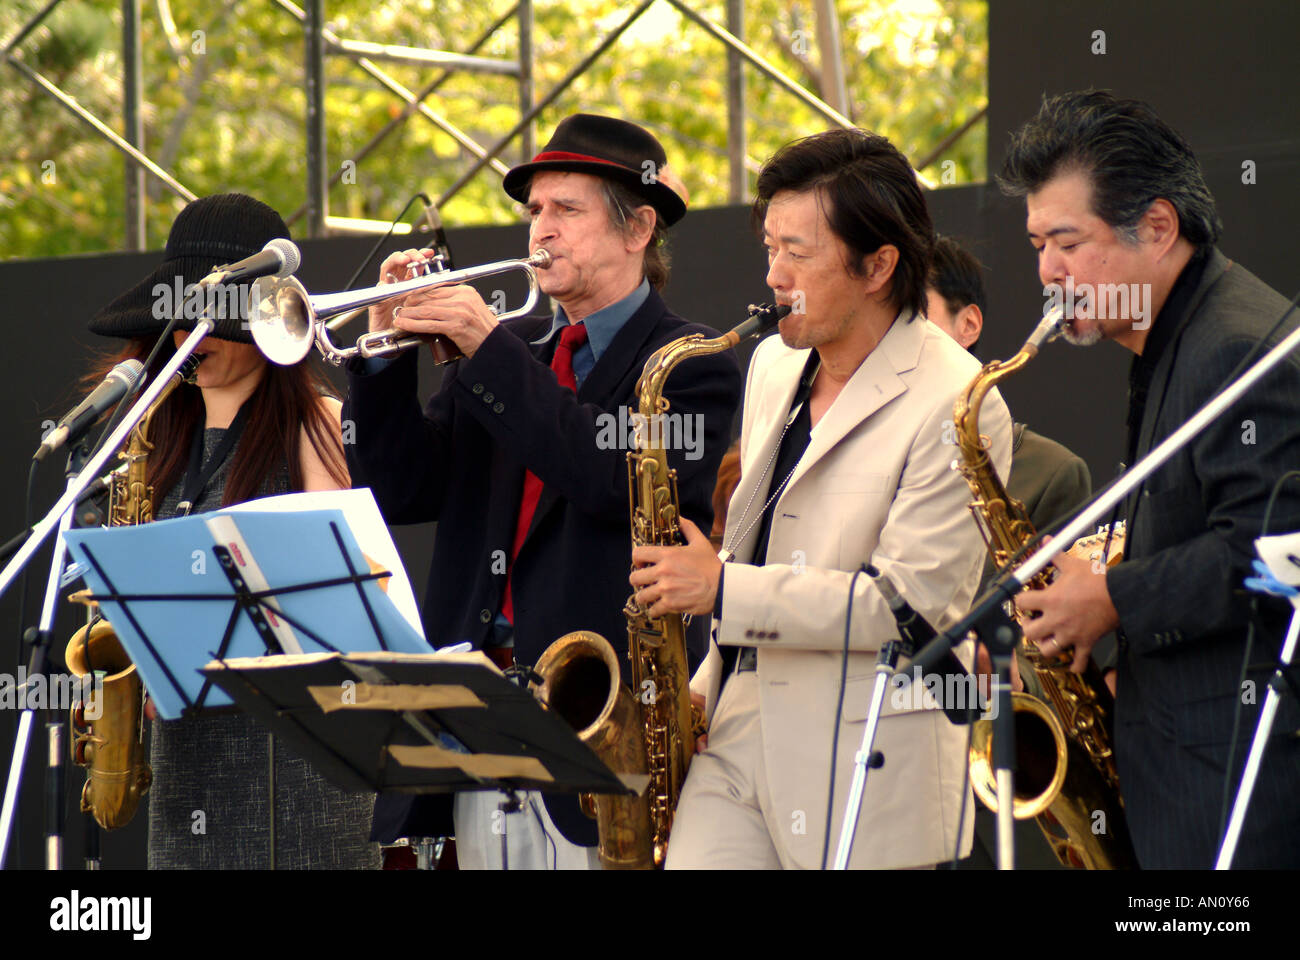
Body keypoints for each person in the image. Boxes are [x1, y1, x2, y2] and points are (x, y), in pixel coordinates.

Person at [344, 114, 742, 869]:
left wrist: (486, 347)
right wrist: (384, 353)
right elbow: (400, 490)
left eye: (567, 210)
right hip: (474, 714)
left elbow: (602, 476)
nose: (541, 231)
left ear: (638, 229)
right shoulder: (508, 359)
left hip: (602, 724)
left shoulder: (691, 361)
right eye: (534, 212)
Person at [630, 128, 1012, 869]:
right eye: (769, 246)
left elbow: (907, 608)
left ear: (878, 265)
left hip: (867, 766)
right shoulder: (773, 364)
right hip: (737, 745)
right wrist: (704, 690)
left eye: (796, 252)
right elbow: (756, 545)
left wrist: (721, 589)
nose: (773, 274)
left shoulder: (961, 400)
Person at [998, 90, 1300, 868]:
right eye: (1037, 244)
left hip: (1239, 796)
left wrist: (1110, 598)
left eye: (1067, 242)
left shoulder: (1233, 349)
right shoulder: (1173, 340)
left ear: (1158, 228)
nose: (1047, 272)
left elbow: (1277, 561)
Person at [84, 192, 370, 869]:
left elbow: (338, 605)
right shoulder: (145, 439)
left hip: (298, 792)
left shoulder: (317, 422)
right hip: (187, 781)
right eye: (181, 320)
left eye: (218, 321)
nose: (194, 336)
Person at [926, 233, 1093, 869]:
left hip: (992, 757)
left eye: (918, 315)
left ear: (969, 325)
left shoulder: (1052, 471)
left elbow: (1054, 640)